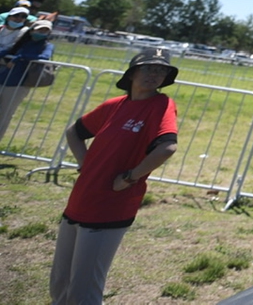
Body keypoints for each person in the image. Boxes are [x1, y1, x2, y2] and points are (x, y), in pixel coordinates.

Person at [50, 48, 179, 305]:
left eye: (161, 70)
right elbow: (73, 132)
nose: (155, 74)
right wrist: (85, 163)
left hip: (110, 207)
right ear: (132, 73)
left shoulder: (161, 105)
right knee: (60, 285)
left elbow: (167, 147)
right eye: (148, 68)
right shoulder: (114, 105)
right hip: (80, 200)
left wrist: (131, 177)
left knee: (83, 293)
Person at [0, 19, 55, 141]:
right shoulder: (22, 42)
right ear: (32, 31)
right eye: (40, 29)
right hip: (3, 78)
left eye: (45, 30)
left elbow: (45, 57)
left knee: (4, 116)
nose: (42, 32)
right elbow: (9, 51)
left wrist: (21, 57)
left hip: (18, 85)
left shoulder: (47, 45)